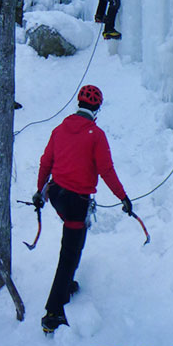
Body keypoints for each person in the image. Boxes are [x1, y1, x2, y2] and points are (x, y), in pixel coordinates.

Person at [33, 85, 132, 333]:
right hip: (76, 201)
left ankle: (66, 285)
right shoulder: (95, 135)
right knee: (70, 251)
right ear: (97, 108)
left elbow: (46, 161)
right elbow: (106, 170)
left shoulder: (59, 129)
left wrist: (39, 191)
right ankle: (53, 312)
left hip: (57, 194)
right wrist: (123, 197)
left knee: (74, 243)